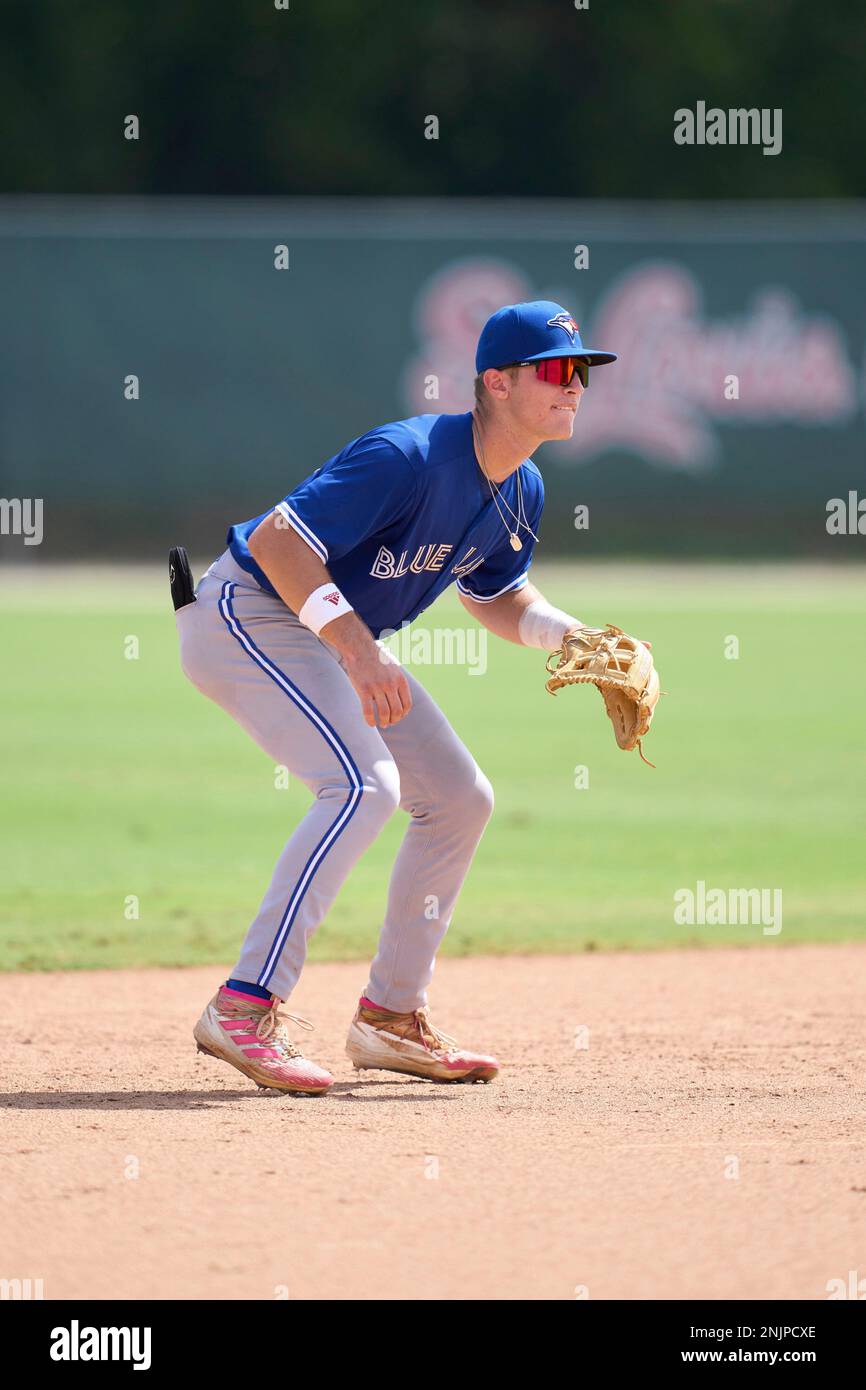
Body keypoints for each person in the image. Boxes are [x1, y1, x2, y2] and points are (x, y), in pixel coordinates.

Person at [177, 300, 617, 1094]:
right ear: (498, 381)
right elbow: (280, 542)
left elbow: (496, 595)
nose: (575, 384)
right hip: (247, 612)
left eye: (581, 370)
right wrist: (357, 649)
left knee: (459, 797)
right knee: (362, 785)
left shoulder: (522, 487)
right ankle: (244, 1006)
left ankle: (390, 1018)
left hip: (334, 639)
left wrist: (573, 638)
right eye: (556, 369)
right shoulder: (407, 455)